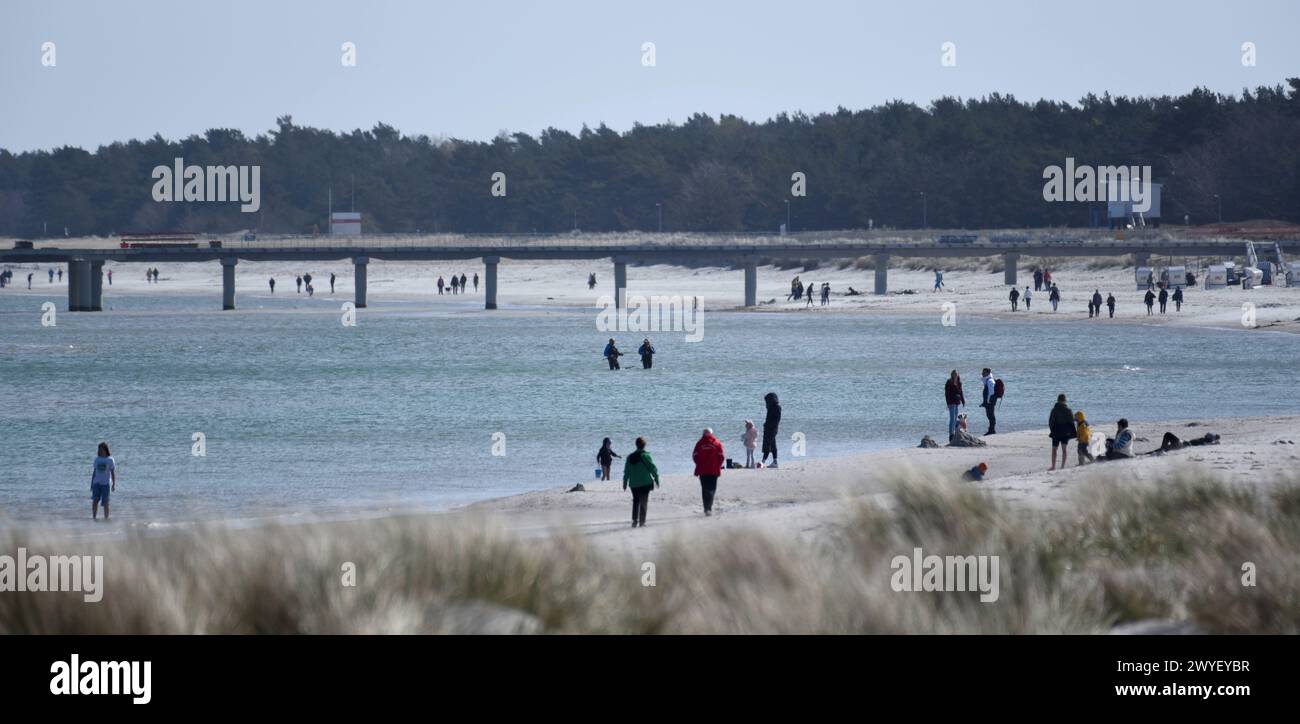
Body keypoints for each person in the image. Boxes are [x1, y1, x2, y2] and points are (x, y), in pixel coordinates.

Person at [623, 437, 660, 527]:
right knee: (644, 502)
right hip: (645, 482)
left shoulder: (629, 457)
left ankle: (635, 520)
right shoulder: (646, 456)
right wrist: (656, 478)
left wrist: (624, 482)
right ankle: (642, 522)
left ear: (636, 445)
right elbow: (652, 468)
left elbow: (626, 471)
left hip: (633, 484)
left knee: (636, 501)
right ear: (644, 445)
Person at [693, 428, 725, 516]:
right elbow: (721, 456)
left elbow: (695, 456)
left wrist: (698, 464)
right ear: (712, 434)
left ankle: (706, 508)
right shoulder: (717, 443)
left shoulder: (699, 444)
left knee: (705, 489)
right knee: (712, 489)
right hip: (713, 470)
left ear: (703, 434)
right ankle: (708, 508)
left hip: (702, 470)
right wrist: (718, 465)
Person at [1048, 394, 1076, 471]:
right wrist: (1072, 432)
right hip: (1065, 432)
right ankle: (1062, 467)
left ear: (1057, 400)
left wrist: (1052, 430)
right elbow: (1071, 421)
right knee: (1064, 449)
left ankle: (1053, 466)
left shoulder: (1054, 410)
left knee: (1054, 449)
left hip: (1056, 431)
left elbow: (1051, 422)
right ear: (1064, 400)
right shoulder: (1068, 410)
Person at [90, 441, 117, 520]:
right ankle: (94, 517)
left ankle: (106, 519)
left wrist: (114, 484)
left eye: (101, 449)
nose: (99, 451)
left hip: (106, 484)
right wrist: (91, 483)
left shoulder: (110, 459)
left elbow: (112, 472)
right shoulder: (97, 459)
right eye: (99, 449)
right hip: (96, 483)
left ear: (105, 449)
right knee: (95, 501)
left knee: (106, 502)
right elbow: (94, 472)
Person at [761, 392, 782, 468]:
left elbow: (776, 420)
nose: (766, 403)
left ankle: (763, 462)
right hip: (769, 428)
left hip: (772, 429)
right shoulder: (771, 407)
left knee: (767, 444)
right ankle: (775, 461)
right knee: (772, 444)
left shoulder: (777, 407)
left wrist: (769, 426)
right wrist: (766, 424)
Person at [945, 370, 965, 439]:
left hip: (957, 402)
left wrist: (963, 400)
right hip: (951, 402)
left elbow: (961, 392)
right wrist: (948, 403)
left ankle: (955, 430)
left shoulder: (959, 382)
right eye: (954, 374)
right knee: (952, 419)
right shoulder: (949, 382)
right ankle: (951, 434)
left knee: (955, 418)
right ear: (952, 374)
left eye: (956, 374)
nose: (955, 375)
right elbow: (947, 394)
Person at [980, 368, 997, 435]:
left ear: (987, 373)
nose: (982, 373)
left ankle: (992, 430)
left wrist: (987, 400)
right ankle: (991, 429)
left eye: (984, 372)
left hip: (990, 401)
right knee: (989, 415)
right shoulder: (987, 380)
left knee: (991, 415)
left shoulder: (990, 381)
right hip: (988, 402)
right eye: (982, 372)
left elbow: (991, 392)